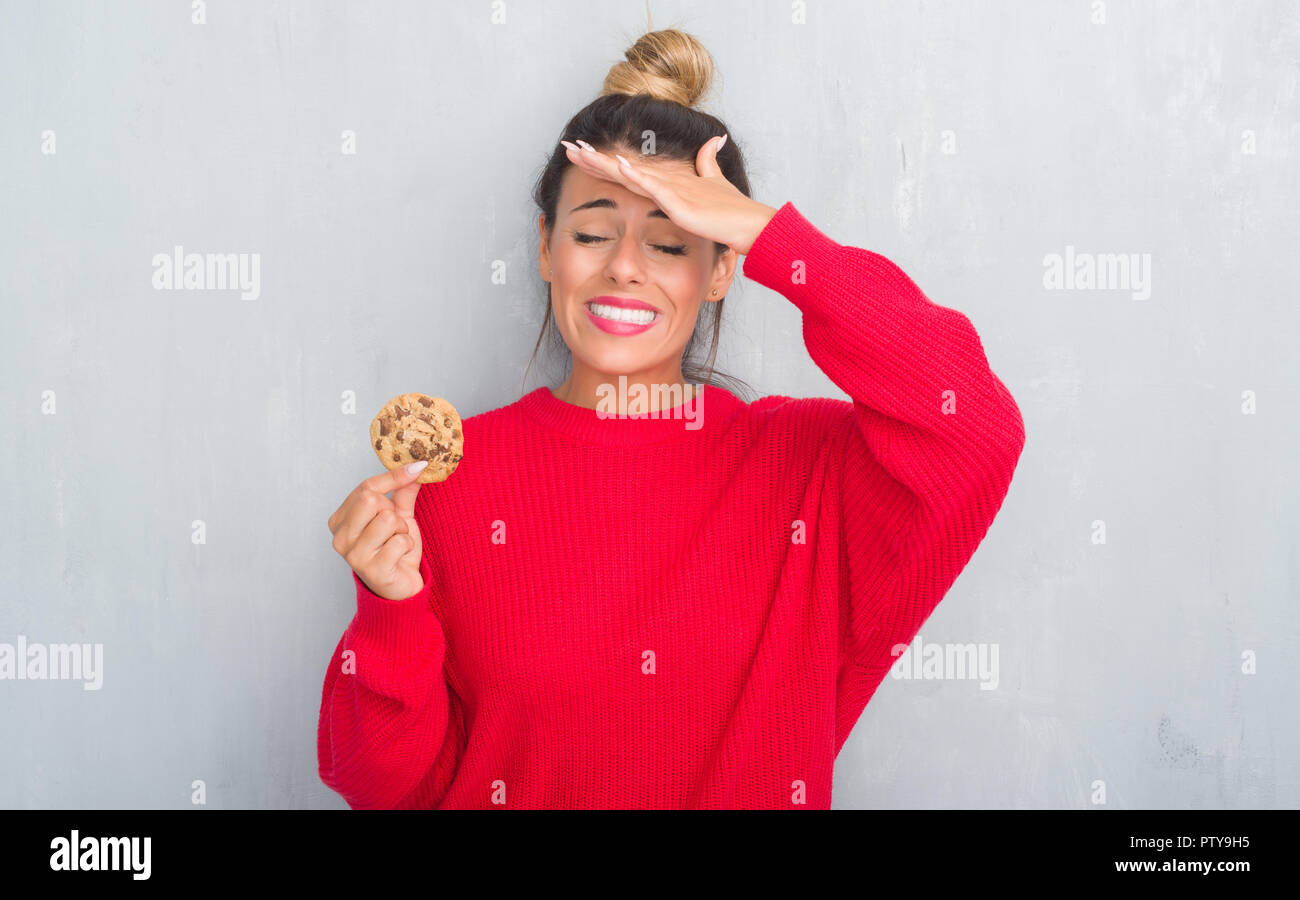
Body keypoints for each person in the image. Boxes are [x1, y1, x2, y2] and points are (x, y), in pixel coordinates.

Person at [319, 28, 1025, 809]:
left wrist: (770, 234)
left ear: (721, 268)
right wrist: (389, 611)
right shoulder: (445, 485)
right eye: (591, 233)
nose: (624, 264)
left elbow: (974, 426)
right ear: (547, 247)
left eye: (667, 241)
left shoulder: (808, 472)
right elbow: (383, 785)